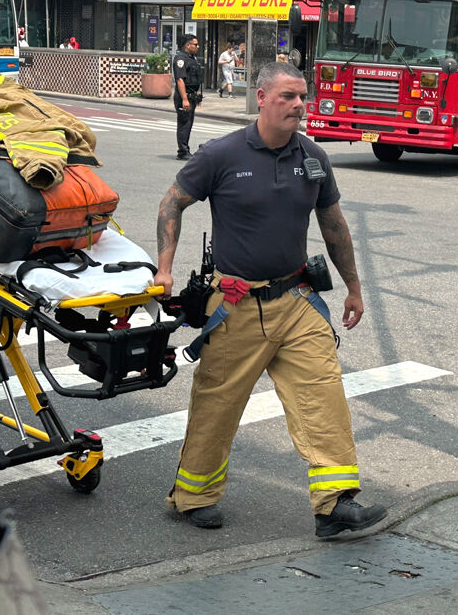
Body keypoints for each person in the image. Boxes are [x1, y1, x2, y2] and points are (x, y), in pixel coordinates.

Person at [153, 61, 386, 538]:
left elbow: (334, 225)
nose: (299, 105)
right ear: (261, 97)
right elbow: (172, 201)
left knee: (323, 396)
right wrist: (165, 266)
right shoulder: (221, 154)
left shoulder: (314, 158)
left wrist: (355, 287)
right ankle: (193, 494)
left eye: (302, 96)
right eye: (287, 96)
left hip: (297, 301)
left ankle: (335, 504)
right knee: (217, 406)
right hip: (235, 304)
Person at [172, 33, 202, 160]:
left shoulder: (192, 59)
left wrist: (197, 95)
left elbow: (195, 79)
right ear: (187, 45)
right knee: (184, 124)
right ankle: (182, 151)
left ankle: (186, 149)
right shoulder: (180, 59)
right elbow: (180, 80)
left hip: (192, 96)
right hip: (184, 96)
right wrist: (184, 99)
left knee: (189, 123)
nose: (198, 46)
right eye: (195, 44)